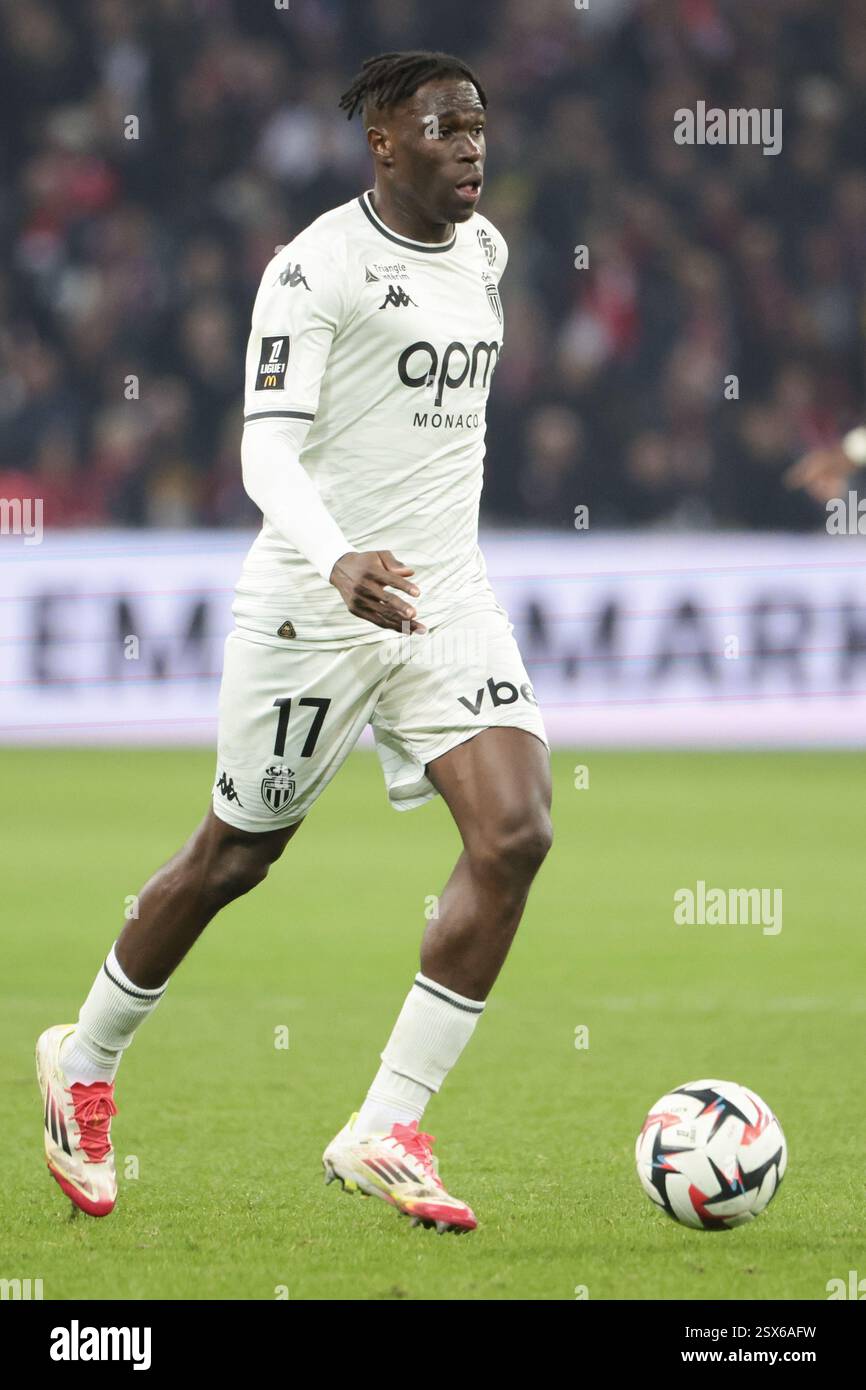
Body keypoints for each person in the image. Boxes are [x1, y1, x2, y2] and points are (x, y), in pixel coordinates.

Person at [36, 50, 552, 1236]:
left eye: (478, 124)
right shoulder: (312, 269)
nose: (472, 144)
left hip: (439, 596)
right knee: (232, 857)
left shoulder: (484, 252)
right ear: (382, 140)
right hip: (312, 605)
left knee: (516, 831)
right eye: (443, 126)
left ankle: (384, 1126)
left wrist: (404, 558)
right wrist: (337, 558)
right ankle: (86, 1061)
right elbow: (264, 450)